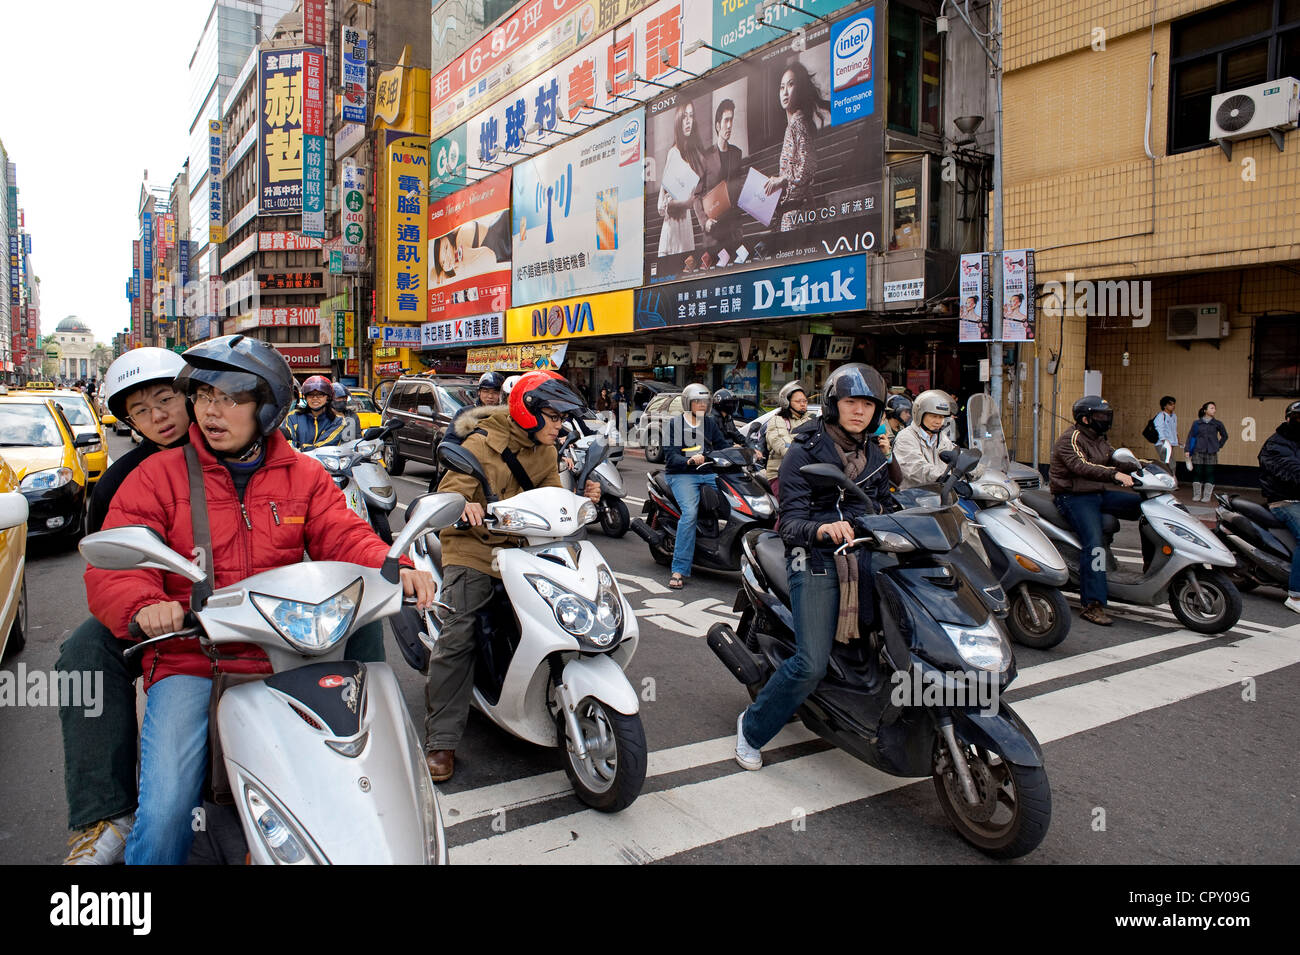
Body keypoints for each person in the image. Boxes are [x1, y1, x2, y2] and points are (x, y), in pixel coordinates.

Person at [84, 335, 437, 865]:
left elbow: (343, 534)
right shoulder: (157, 475)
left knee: (353, 786)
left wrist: (396, 565)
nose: (210, 411)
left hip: (291, 655)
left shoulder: (305, 474)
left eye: (229, 399)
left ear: (267, 408)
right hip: (191, 658)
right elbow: (118, 562)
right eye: (203, 397)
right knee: (164, 816)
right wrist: (144, 606)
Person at [423, 373, 602, 781]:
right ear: (528, 412)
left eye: (562, 419)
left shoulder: (545, 449)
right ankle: (442, 741)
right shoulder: (479, 444)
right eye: (554, 417)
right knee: (460, 632)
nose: (559, 426)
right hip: (474, 547)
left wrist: (580, 502)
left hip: (525, 548)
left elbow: (553, 501)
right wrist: (463, 504)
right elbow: (451, 493)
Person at [60, 348, 191, 864]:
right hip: (161, 613)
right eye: (141, 410)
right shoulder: (121, 481)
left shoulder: (244, 451)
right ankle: (104, 812)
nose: (158, 416)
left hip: (251, 602)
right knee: (82, 652)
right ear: (127, 420)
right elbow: (110, 567)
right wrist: (143, 604)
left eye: (166, 399)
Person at [735, 364, 894, 771]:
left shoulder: (875, 454)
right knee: (811, 663)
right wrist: (823, 529)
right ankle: (752, 728)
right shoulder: (803, 451)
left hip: (862, 550)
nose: (859, 411)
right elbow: (788, 523)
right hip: (815, 556)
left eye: (868, 404)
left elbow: (886, 504)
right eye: (850, 402)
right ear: (833, 405)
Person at [1049, 395, 1143, 627]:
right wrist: (1115, 475)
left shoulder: (1100, 438)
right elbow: (1082, 466)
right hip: (1074, 497)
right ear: (1085, 419)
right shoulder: (1069, 439)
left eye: (1106, 415)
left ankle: (1151, 568)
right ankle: (1093, 604)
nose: (1105, 419)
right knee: (1094, 543)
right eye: (1100, 415)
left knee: (1145, 509)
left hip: (1098, 493)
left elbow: (1113, 459)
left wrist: (1142, 465)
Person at [664, 384, 732, 590]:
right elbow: (670, 456)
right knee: (690, 513)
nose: (702, 405)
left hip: (708, 474)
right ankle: (679, 569)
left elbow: (722, 446)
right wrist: (689, 461)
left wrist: (743, 451)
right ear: (688, 403)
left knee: (736, 504)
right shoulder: (675, 424)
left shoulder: (710, 423)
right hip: (683, 474)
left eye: (705, 402)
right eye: (697, 401)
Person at [765, 62, 830, 233]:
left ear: (800, 88)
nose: (784, 92)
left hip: (795, 216)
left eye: (791, 84)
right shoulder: (795, 125)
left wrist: (782, 179)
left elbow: (808, 165)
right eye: (781, 87)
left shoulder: (798, 125)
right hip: (795, 212)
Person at [1258, 400, 1300, 614]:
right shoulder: (1277, 444)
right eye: (1298, 419)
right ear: (1288, 419)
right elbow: (1291, 470)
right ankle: (1295, 595)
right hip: (1285, 501)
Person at [693, 99, 745, 256]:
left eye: (732, 120)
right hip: (713, 233)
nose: (729, 125)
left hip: (733, 232)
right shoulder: (705, 157)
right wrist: (704, 221)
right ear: (717, 125)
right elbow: (696, 196)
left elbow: (739, 187)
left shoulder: (737, 154)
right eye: (726, 120)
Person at [657, 102, 704, 257]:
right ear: (678, 121)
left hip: (685, 224)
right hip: (674, 226)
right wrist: (686, 203)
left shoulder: (692, 156)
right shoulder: (673, 154)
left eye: (691, 116)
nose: (688, 121)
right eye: (684, 117)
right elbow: (663, 205)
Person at [892, 389, 958, 489]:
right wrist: (945, 478)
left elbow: (955, 454)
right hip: (913, 497)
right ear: (919, 414)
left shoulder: (941, 438)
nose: (938, 421)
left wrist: (972, 469)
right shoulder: (906, 437)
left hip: (938, 496)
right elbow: (916, 468)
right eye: (934, 416)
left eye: (941, 417)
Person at [430, 211, 511, 286]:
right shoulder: (456, 260)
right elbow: (433, 274)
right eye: (443, 263)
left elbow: (489, 258)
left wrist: (445, 275)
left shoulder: (461, 237)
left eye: (446, 248)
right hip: (506, 249)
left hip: (507, 236)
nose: (447, 259)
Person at [764, 380, 813, 495]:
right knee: (788, 509)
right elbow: (784, 445)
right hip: (780, 474)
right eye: (798, 401)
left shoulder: (811, 421)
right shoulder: (777, 421)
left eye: (804, 401)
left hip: (806, 474)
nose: (803, 404)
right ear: (787, 402)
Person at [282, 374, 349, 449]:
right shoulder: (293, 417)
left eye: (320, 395)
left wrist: (301, 449)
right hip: (297, 460)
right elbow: (288, 444)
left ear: (328, 397)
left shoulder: (337, 421)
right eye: (310, 395)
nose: (315, 398)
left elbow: (324, 446)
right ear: (305, 397)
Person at [1185, 401, 1229, 502]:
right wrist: (1187, 449)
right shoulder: (1196, 423)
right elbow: (1191, 436)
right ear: (1205, 410)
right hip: (1198, 450)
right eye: (1212, 408)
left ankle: (1207, 496)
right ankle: (1197, 495)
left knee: (1209, 473)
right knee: (1198, 472)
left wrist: (1218, 445)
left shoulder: (1218, 423)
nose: (1214, 410)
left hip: (1211, 451)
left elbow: (1225, 436)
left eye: (1214, 408)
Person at [1154, 395, 1179, 469]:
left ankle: (1168, 478)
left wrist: (1177, 440)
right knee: (1170, 462)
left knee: (1166, 461)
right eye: (1170, 404)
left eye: (1174, 404)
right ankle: (1173, 478)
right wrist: (1164, 440)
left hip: (1171, 442)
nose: (1173, 406)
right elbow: (1159, 429)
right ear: (1165, 406)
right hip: (1162, 443)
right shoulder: (1161, 415)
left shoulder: (1174, 416)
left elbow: (1174, 429)